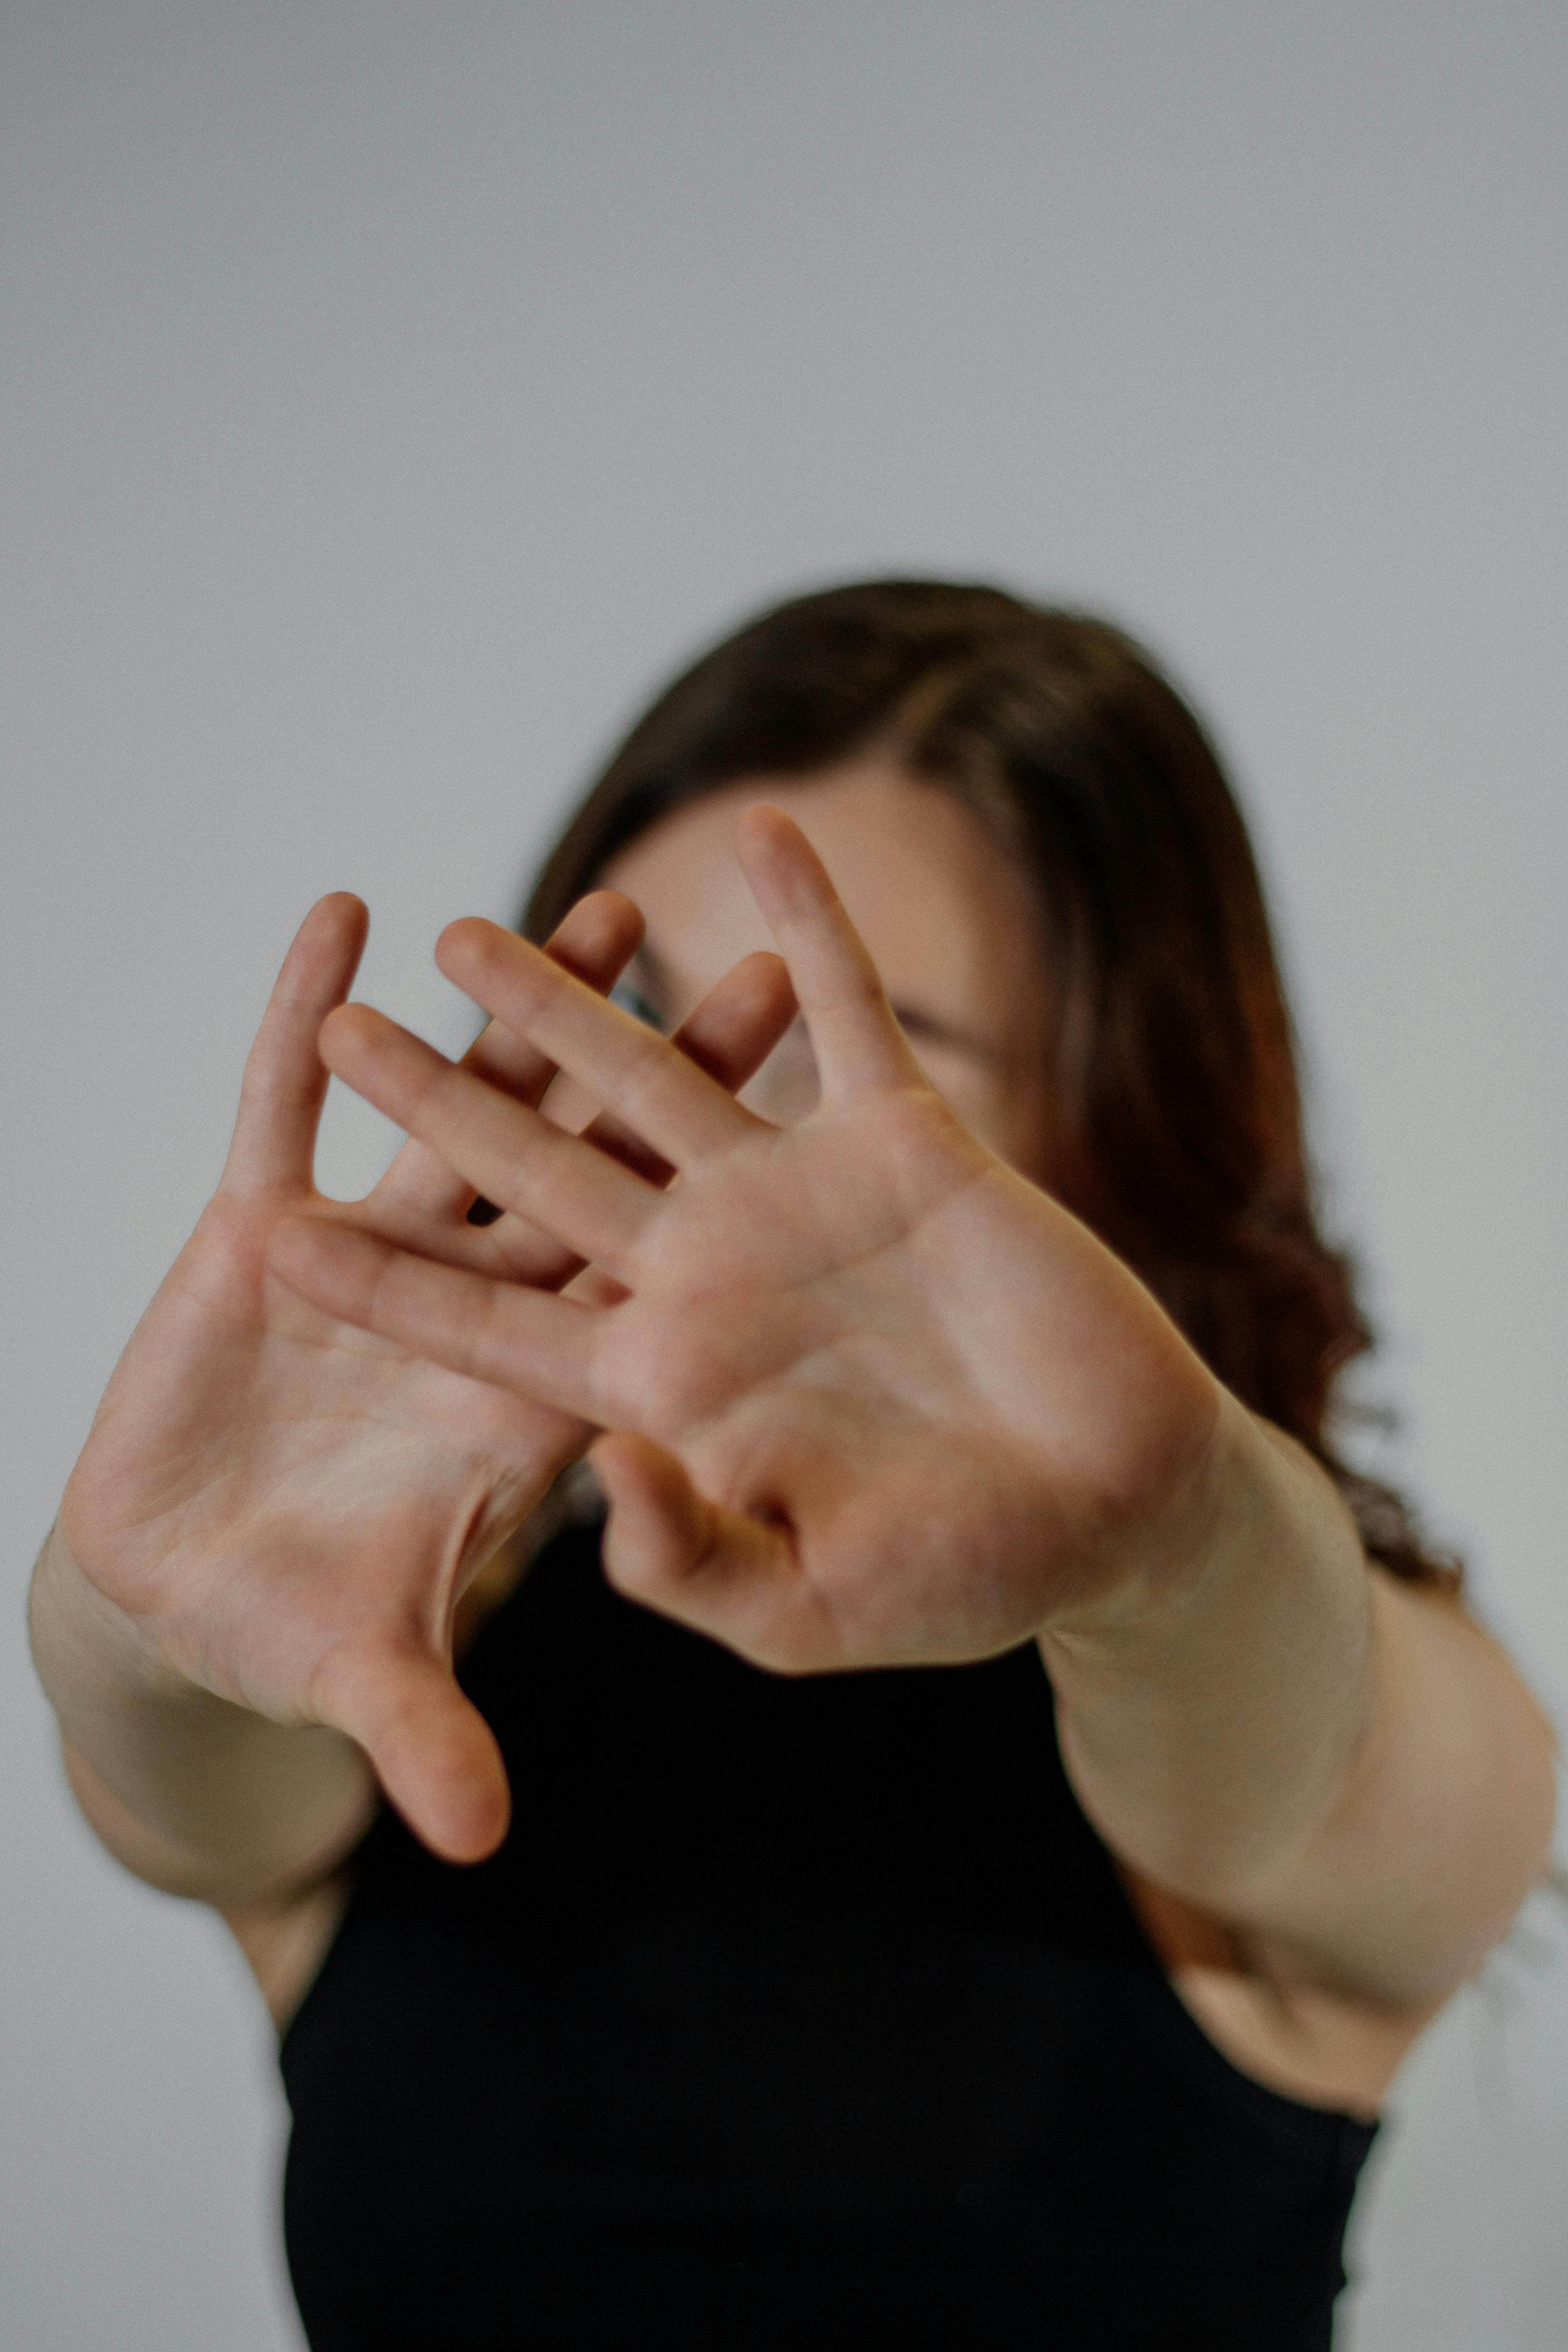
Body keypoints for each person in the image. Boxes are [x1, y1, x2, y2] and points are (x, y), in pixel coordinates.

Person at [30, 581, 1556, 2350]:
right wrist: (126, 1600)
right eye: (645, 1028)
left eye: (854, 1059)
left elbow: (1324, 1739)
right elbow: (170, 1749)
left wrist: (1185, 1523)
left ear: (1120, 1138)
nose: (701, 1149)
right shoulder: (409, 1673)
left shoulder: (1267, 1666)